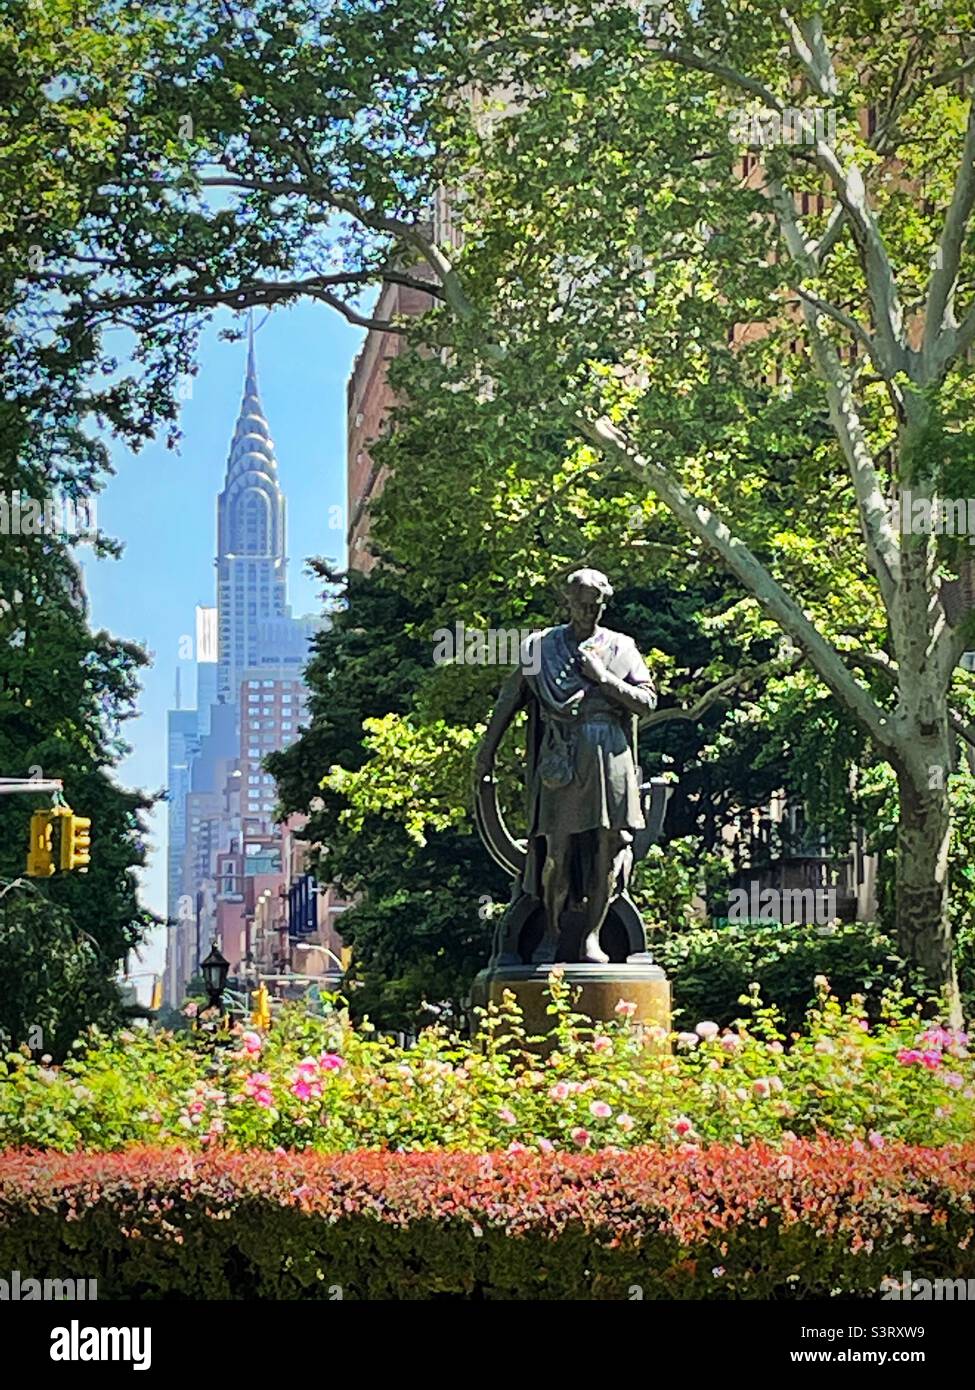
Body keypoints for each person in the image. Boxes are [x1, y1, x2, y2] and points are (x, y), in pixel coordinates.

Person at [474, 568, 656, 963]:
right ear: (567, 603)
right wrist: (486, 752)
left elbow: (646, 702)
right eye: (582, 605)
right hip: (563, 760)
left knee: (607, 851)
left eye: (597, 606)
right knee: (556, 852)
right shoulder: (541, 648)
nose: (589, 612)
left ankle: (591, 936)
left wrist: (604, 679)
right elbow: (509, 699)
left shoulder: (622, 647)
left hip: (610, 758)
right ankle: (553, 932)